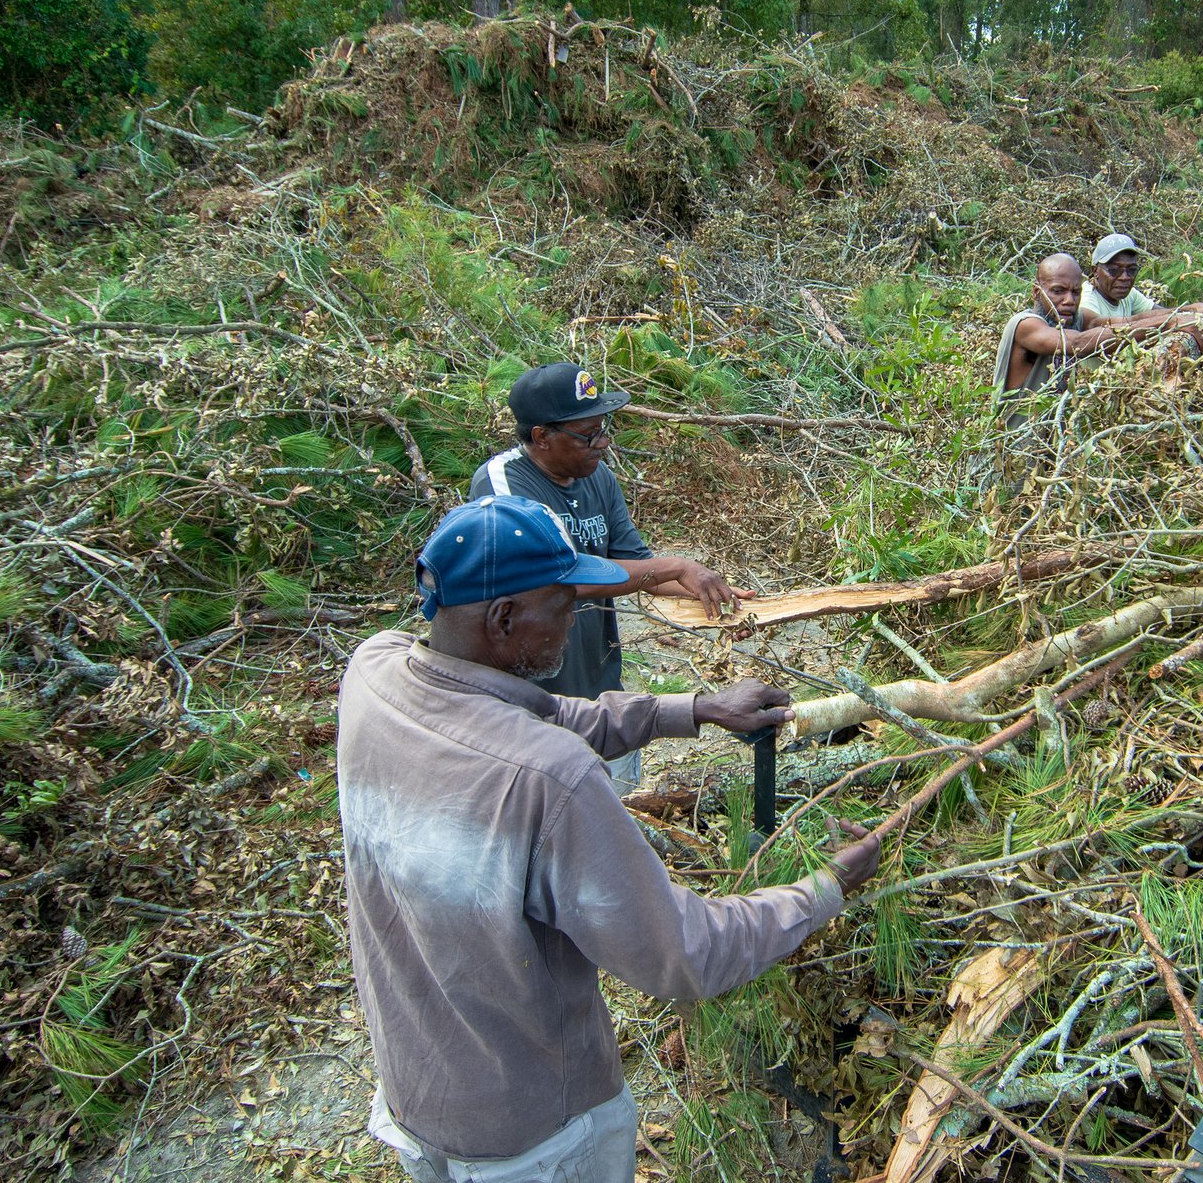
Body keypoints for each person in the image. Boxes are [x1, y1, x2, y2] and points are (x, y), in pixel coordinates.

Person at [339, 494, 882, 1183]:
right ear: (503, 618)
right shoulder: (548, 779)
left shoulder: (375, 671)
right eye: (564, 603)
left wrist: (693, 710)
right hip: (535, 1134)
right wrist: (827, 887)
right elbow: (686, 955)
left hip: (415, 1089)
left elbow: (528, 715)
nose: (577, 616)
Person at [470, 362, 750, 794]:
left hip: (598, 685)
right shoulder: (503, 484)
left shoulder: (597, 477)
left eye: (603, 429)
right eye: (588, 434)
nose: (602, 443)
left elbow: (637, 567)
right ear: (541, 437)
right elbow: (554, 578)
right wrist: (678, 566)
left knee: (614, 804)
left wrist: (707, 591)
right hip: (529, 699)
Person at [993, 253, 1123, 408]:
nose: (1069, 301)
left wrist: (1151, 323)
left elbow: (1120, 323)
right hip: (1021, 425)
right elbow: (1077, 342)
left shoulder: (1076, 318)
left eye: (1076, 292)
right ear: (1036, 292)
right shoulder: (1024, 325)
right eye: (1058, 291)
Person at [1077, 233, 1203, 356]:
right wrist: (1173, 321)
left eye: (1131, 270)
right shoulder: (1086, 297)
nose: (1125, 277)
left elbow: (1158, 312)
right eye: (1114, 270)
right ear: (1095, 271)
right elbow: (1097, 326)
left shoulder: (1128, 294)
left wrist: (1194, 310)